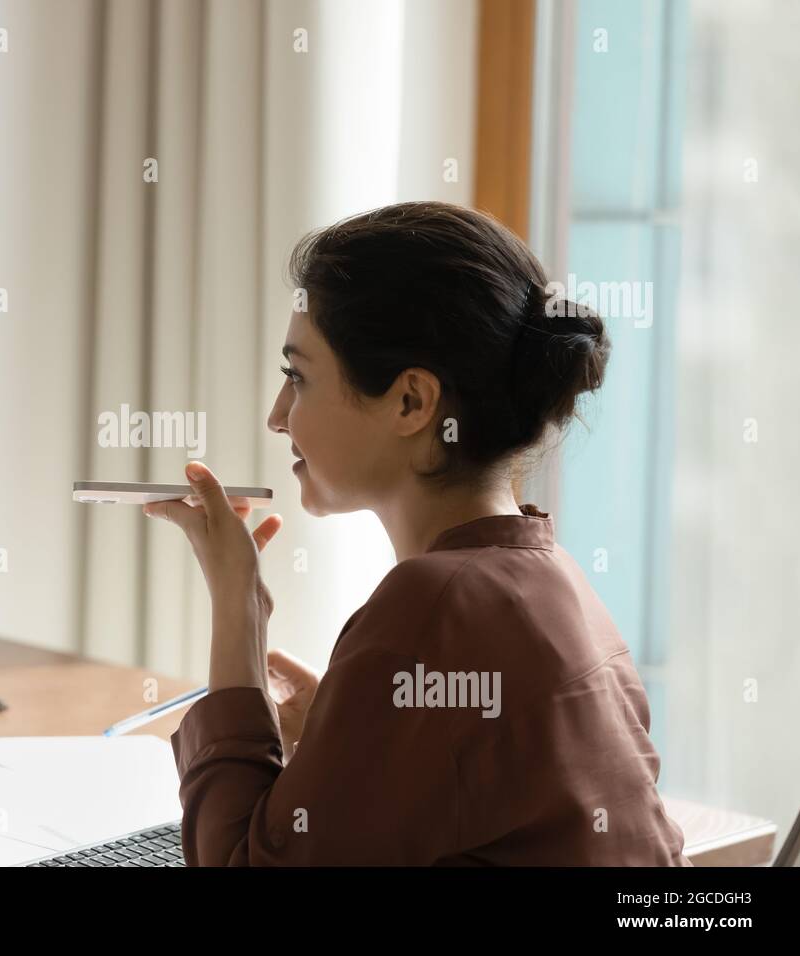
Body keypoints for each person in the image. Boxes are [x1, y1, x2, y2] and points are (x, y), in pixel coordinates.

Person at [144, 201, 690, 865]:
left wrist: (238, 609)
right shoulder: (556, 581)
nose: (277, 416)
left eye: (298, 377)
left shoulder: (432, 608)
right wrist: (344, 734)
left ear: (411, 402)